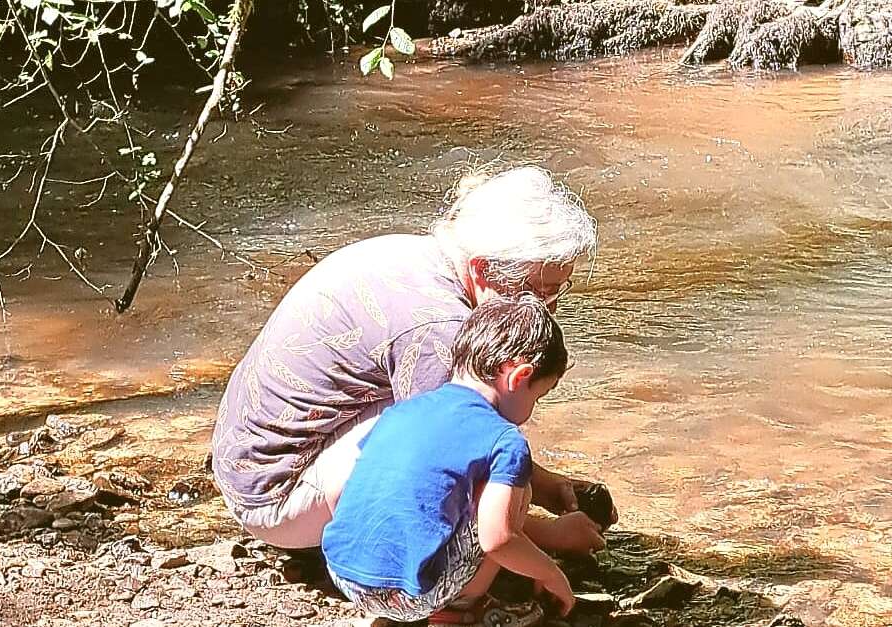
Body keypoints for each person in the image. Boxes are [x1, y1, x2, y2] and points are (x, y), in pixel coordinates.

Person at [211, 166, 613, 552]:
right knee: (449, 441)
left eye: (558, 291)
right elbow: (447, 463)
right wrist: (548, 536)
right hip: (275, 497)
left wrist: (542, 485)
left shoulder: (417, 256)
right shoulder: (441, 327)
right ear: (482, 269)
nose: (547, 310)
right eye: (536, 291)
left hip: (251, 467)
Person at [322, 295, 575, 627]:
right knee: (517, 490)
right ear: (518, 377)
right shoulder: (505, 440)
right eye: (537, 396)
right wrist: (552, 574)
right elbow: (497, 539)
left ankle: (386, 589)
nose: (532, 409)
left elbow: (337, 487)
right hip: (416, 597)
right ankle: (458, 610)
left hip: (345, 577)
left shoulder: (404, 411)